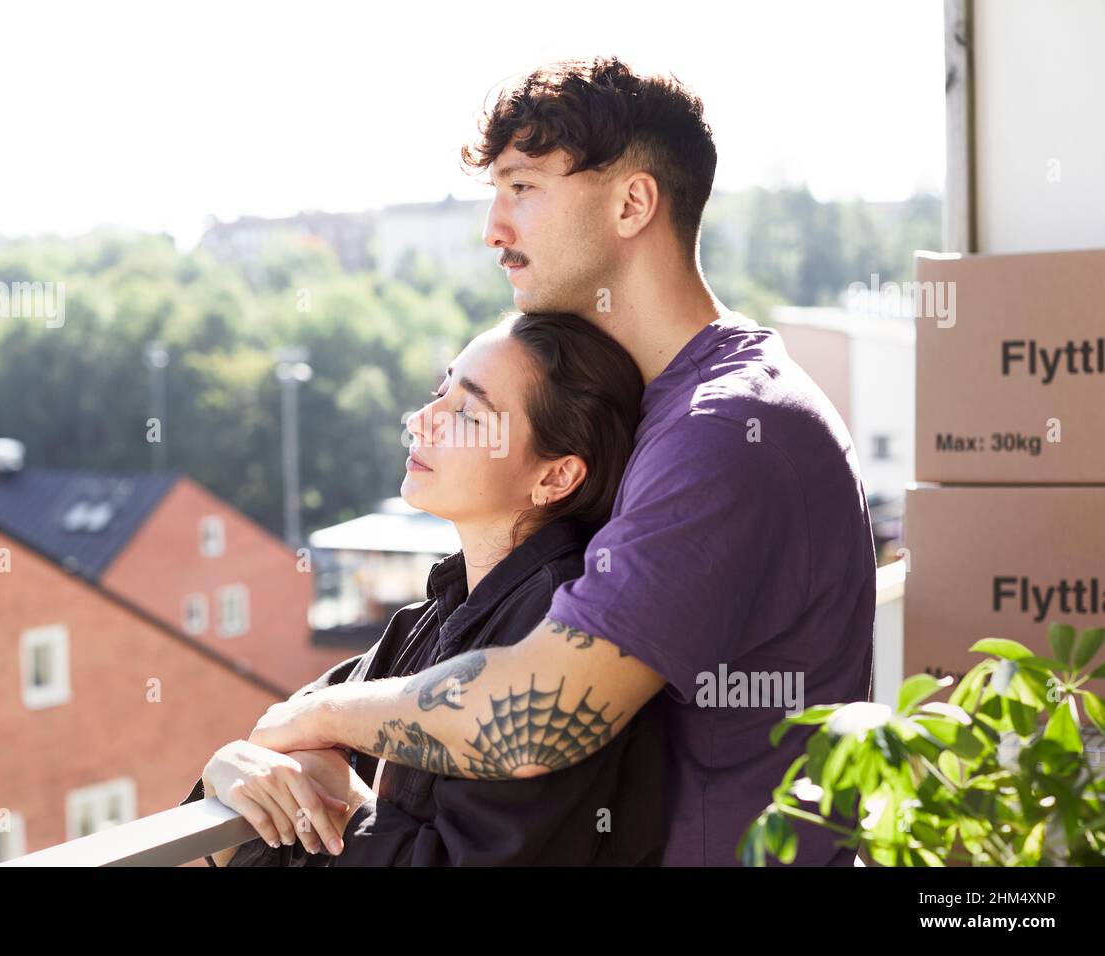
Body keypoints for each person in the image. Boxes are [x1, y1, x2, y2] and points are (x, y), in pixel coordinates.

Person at [235, 56, 877, 867]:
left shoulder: (726, 429)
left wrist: (318, 722)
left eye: (523, 188)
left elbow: (540, 716)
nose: (493, 228)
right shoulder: (673, 406)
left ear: (632, 203)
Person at [181, 310, 669, 865]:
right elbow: (270, 754)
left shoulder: (559, 632)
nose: (420, 419)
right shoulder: (424, 623)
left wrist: (342, 802)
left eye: (469, 413)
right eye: (440, 391)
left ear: (555, 476)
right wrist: (227, 770)